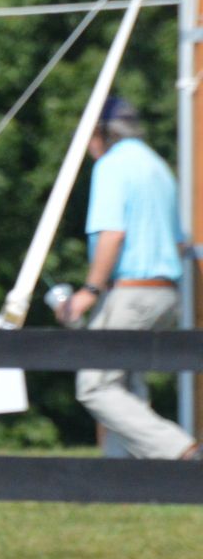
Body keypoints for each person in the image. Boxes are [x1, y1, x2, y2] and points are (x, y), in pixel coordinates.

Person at [56, 96, 198, 459]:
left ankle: (179, 451)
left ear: (103, 133)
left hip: (133, 292)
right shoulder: (157, 166)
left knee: (94, 386)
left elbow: (113, 234)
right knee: (128, 386)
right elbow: (181, 240)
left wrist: (89, 291)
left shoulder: (112, 166)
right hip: (167, 293)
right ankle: (126, 478)